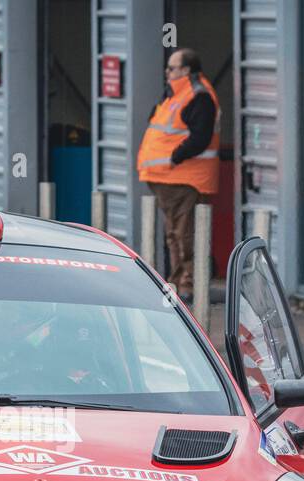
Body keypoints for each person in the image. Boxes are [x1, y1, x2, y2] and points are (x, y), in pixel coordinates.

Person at [135, 48, 220, 305]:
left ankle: (188, 284)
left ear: (186, 70)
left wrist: (175, 156)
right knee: (174, 234)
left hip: (183, 177)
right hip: (167, 177)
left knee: (184, 233)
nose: (167, 72)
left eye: (172, 68)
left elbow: (201, 136)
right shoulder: (175, 93)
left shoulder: (198, 96)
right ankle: (178, 280)